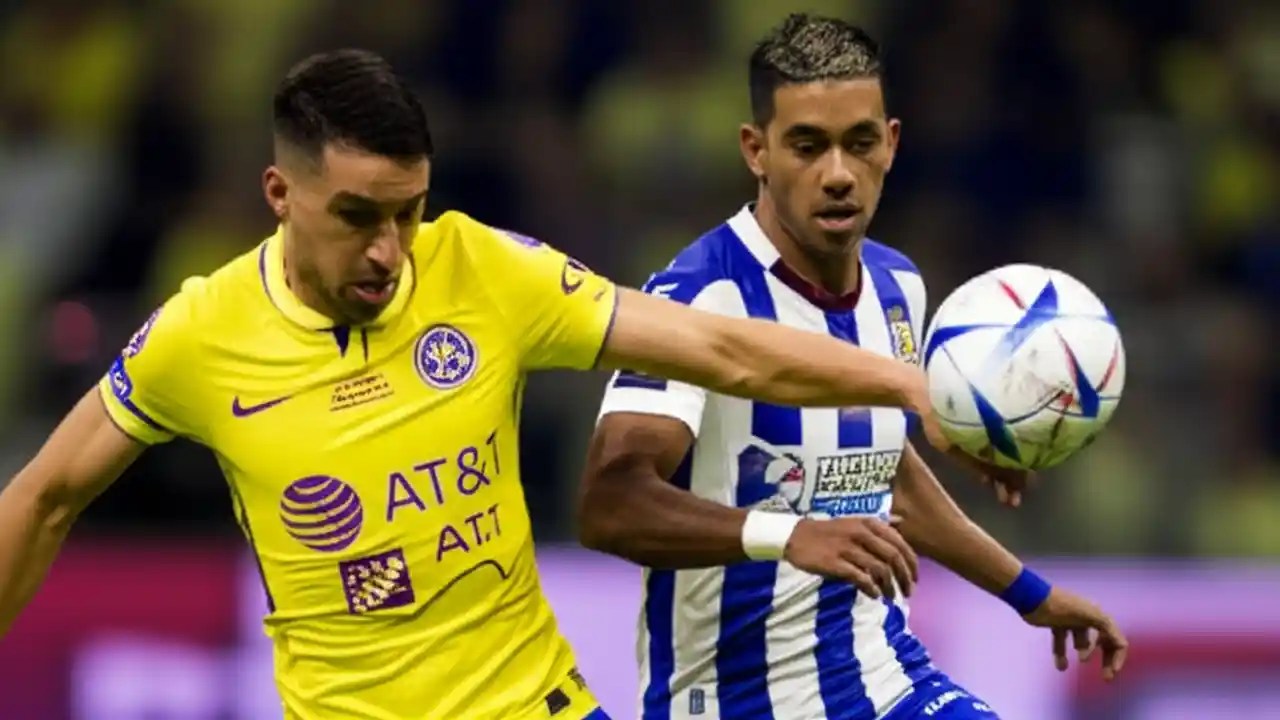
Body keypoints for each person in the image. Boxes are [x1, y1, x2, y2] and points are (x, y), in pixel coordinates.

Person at [0, 49, 965, 720]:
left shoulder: (483, 271)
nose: (389, 251)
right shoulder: (200, 333)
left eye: (408, 213)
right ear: (278, 195)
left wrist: (899, 382)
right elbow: (45, 494)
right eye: (357, 217)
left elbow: (724, 349)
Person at [579, 14, 1128, 720]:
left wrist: (1030, 594)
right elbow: (608, 505)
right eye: (807, 146)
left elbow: (886, 477)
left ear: (891, 144)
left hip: (887, 680)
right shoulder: (697, 299)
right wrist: (790, 535)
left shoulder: (901, 289)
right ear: (757, 151)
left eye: (859, 143)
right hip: (734, 704)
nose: (838, 174)